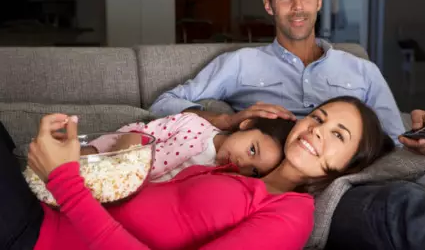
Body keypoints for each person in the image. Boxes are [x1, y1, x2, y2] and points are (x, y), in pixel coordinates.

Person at [1, 96, 394, 250]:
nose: (316, 131)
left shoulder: (291, 214)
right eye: (319, 117)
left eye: (337, 135)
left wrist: (65, 181)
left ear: (347, 167)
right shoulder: (235, 171)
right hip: (51, 213)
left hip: (44, 240)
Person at [150, 0, 425, 156]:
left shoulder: (363, 70)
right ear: (269, 5)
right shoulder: (240, 63)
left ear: (319, 0)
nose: (298, 7)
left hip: (355, 175)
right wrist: (226, 121)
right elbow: (164, 103)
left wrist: (418, 132)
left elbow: (396, 142)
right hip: (287, 173)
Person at [84, 113, 296, 181]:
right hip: (121, 152)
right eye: (252, 150)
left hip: (139, 193)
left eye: (254, 171)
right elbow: (144, 133)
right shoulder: (193, 124)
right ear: (247, 124)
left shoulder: (222, 178)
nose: (243, 164)